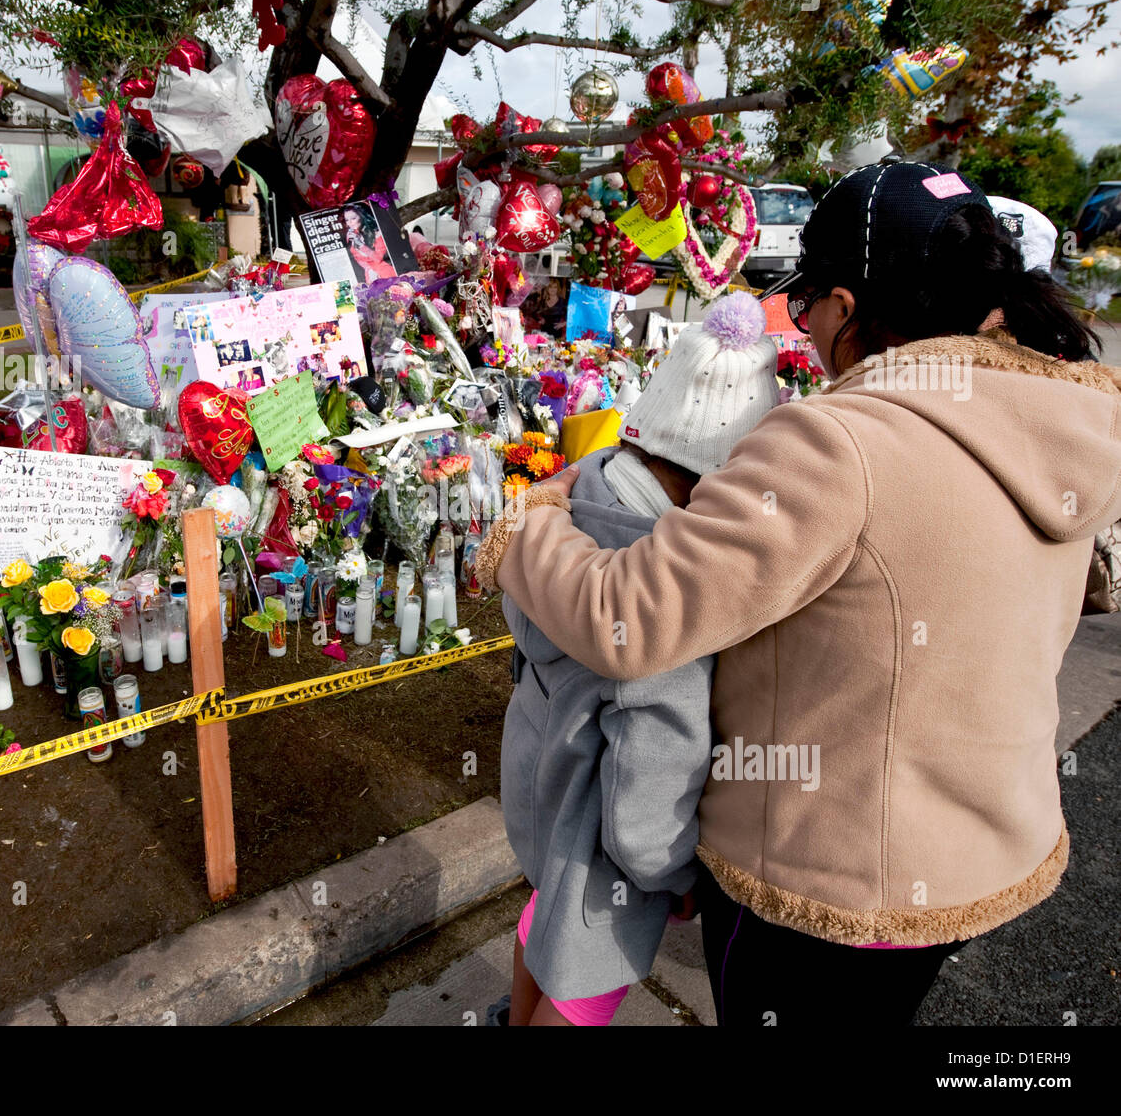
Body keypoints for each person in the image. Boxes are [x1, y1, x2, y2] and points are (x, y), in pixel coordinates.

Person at [476, 160, 1121, 1026]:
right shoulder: (1056, 416)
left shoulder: (838, 444)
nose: (804, 328)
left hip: (824, 878)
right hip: (974, 859)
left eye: (807, 302)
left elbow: (628, 619)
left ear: (846, 310)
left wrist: (531, 525)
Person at [502, 293, 780, 1026]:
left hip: (536, 780)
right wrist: (675, 871)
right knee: (581, 989)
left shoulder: (569, 495)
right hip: (602, 850)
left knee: (541, 931)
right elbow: (649, 783)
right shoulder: (667, 593)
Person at [341, 205, 393, 284]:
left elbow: (378, 258)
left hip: (385, 273)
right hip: (370, 275)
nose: (350, 223)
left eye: (353, 218)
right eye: (347, 220)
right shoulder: (352, 235)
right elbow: (357, 258)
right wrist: (369, 269)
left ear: (361, 217)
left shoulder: (377, 234)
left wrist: (360, 244)